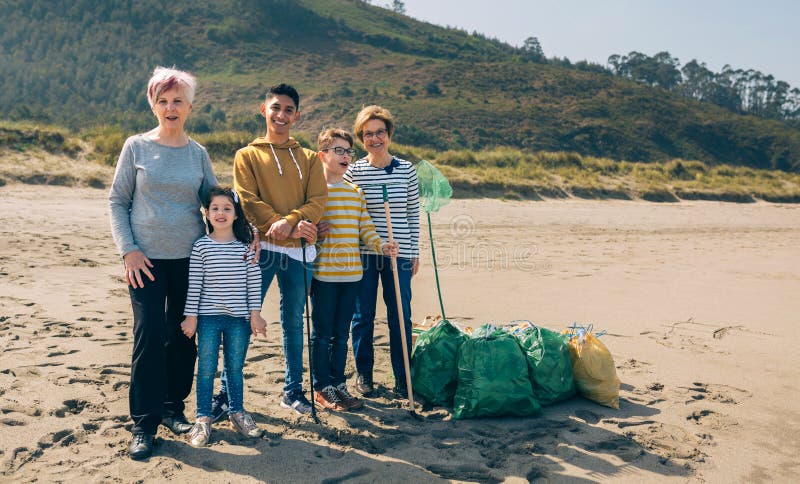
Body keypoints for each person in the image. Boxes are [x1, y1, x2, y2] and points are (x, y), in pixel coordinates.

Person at [109, 67, 218, 460]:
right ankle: (143, 423)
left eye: (177, 101)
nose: (170, 108)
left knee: (183, 336)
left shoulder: (198, 153)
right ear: (153, 105)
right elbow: (117, 201)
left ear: (190, 106)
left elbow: (215, 201)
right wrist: (129, 250)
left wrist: (246, 231)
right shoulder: (136, 147)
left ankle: (173, 410)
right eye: (163, 101)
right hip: (145, 262)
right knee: (149, 337)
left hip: (191, 261)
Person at [219, 83, 327, 416]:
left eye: (288, 110)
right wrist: (278, 224)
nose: (281, 115)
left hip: (299, 253)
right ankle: (226, 395)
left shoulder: (308, 158)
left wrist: (291, 222)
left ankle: (293, 391)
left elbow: (318, 201)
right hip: (259, 249)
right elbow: (248, 201)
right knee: (241, 320)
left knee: (294, 323)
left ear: (297, 115)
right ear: (264, 109)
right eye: (276, 108)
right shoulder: (247, 155)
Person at [311, 129, 398, 411]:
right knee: (322, 334)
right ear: (322, 155)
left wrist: (381, 245)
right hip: (323, 276)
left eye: (349, 151)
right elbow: (306, 228)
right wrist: (313, 231)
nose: (345, 156)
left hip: (352, 276)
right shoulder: (315, 194)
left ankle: (338, 385)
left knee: (341, 334)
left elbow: (365, 229)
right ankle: (321, 387)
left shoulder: (355, 192)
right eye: (338, 150)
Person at [180, 186, 267, 447]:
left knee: (234, 369)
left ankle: (237, 413)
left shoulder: (246, 246)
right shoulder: (201, 247)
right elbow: (194, 283)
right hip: (207, 318)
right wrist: (190, 316)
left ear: (236, 214)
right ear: (206, 213)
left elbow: (254, 281)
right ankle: (203, 420)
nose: (221, 213)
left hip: (239, 320)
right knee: (206, 369)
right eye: (215, 208)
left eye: (227, 208)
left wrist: (256, 315)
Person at [344, 105, 420, 398]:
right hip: (364, 253)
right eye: (368, 134)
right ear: (362, 139)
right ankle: (364, 375)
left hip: (398, 255)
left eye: (380, 133)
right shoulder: (355, 171)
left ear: (389, 135)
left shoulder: (406, 170)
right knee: (362, 316)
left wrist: (414, 252)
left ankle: (404, 379)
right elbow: (349, 214)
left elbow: (412, 213)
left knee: (400, 315)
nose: (375, 139)